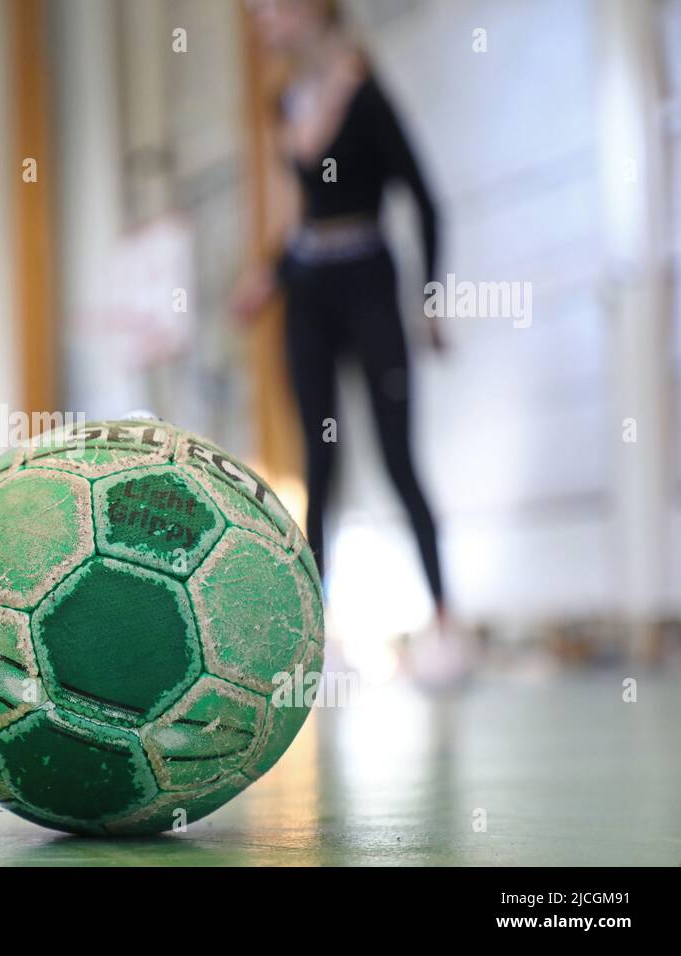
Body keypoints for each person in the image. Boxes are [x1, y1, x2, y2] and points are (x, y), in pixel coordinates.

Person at [236, 0, 449, 631]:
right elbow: (304, 214)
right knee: (319, 460)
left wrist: (430, 300)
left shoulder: (365, 93)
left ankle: (442, 617)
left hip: (369, 284)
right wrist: (268, 275)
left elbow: (426, 199)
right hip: (309, 292)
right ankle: (314, 628)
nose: (260, 21)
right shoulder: (285, 102)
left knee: (397, 456)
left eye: (271, 7)